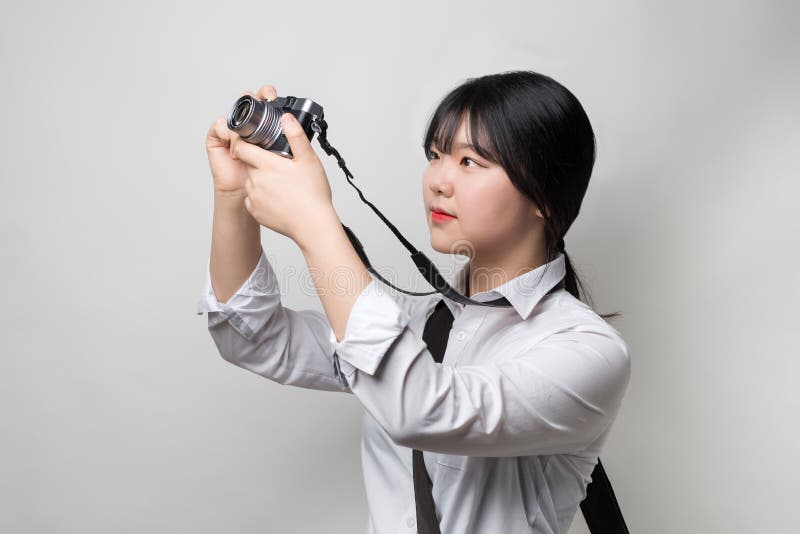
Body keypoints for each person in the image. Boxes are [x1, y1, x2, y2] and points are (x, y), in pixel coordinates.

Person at [196, 71, 631, 534]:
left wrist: (314, 222)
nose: (439, 181)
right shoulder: (420, 324)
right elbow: (253, 337)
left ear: (544, 194)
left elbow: (421, 408)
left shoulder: (588, 351)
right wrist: (233, 195)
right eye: (436, 155)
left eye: (470, 162)